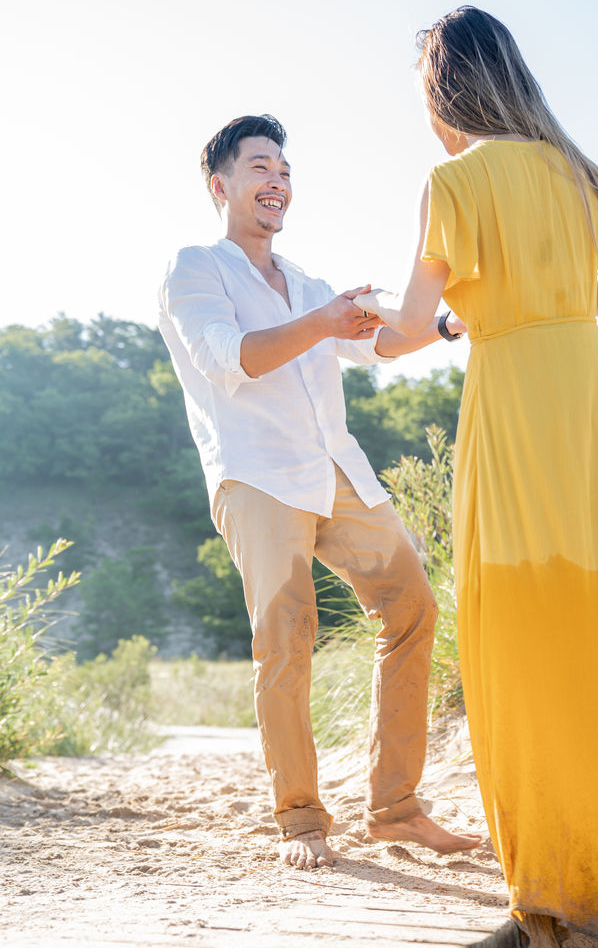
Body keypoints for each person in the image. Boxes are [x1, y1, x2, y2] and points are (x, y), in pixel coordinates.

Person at [356, 7, 598, 948]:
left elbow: (407, 326)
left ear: (443, 88)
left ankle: (561, 898)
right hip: (591, 400)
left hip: (517, 406)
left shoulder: (455, 178)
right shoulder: (580, 171)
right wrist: (546, 305)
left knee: (524, 638)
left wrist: (373, 330)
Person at [157, 114, 477, 870]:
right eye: (260, 167)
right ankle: (300, 818)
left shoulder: (306, 283)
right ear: (221, 185)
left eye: (285, 171)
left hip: (336, 470)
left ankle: (395, 808)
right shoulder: (195, 267)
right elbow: (234, 359)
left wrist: (448, 321)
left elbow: (383, 341)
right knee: (285, 636)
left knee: (411, 608)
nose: (277, 182)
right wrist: (325, 319)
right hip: (255, 473)